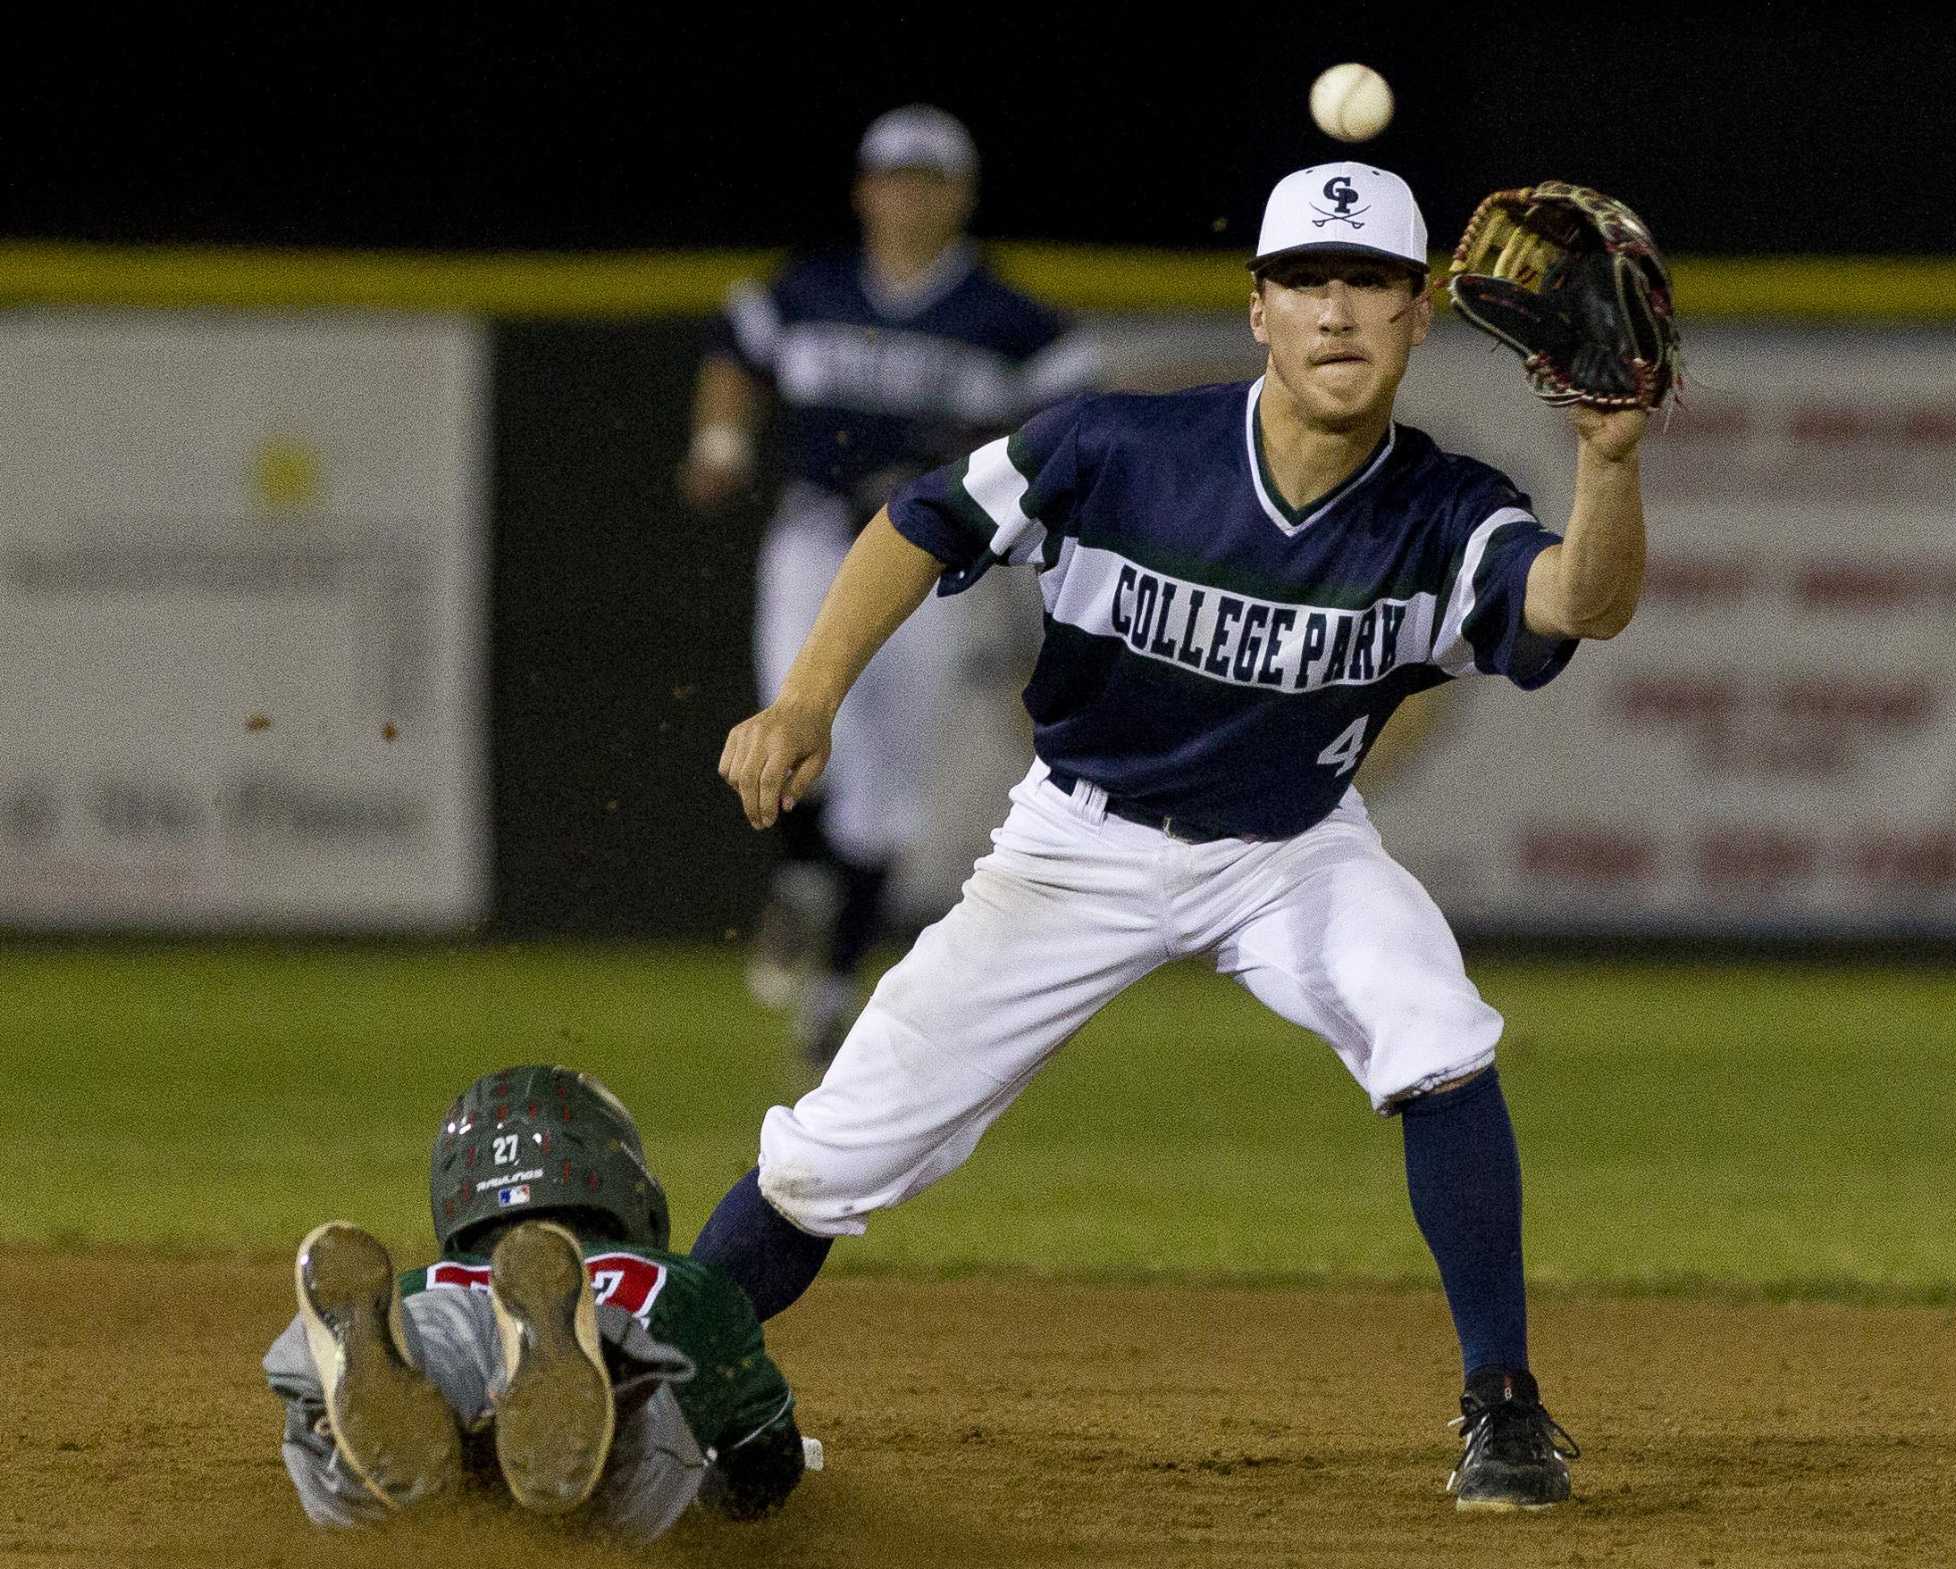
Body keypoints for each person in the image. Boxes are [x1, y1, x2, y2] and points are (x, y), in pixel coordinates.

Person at [694, 159, 1642, 1512]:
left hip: (1289, 848)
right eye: (1306, 281)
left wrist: (1609, 466)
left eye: (1368, 282)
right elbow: (924, 521)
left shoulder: (1443, 509)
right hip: (1075, 844)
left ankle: (1505, 1403)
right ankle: (644, 1358)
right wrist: (807, 694)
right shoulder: (1118, 448)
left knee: (1433, 1024)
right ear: (1257, 308)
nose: (1336, 312)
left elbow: (1571, 604)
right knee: (834, 1148)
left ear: (1418, 315)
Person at [678, 103, 1100, 1068]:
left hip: (939, 558)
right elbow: (736, 348)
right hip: (817, 536)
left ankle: (831, 984)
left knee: (888, 791)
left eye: (929, 181)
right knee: (794, 707)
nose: (909, 199)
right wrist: (718, 440)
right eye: (894, 179)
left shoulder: (1011, 320)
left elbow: (1070, 422)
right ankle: (804, 886)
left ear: (961, 196)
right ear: (866, 190)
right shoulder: (810, 290)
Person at [262, 1065, 816, 1541]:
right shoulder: (685, 1282)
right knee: (632, 1402)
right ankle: (584, 1390)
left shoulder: (414, 1286)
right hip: (613, 1404)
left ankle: (406, 1413)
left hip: (435, 1318)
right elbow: (764, 1468)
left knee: (396, 1369)